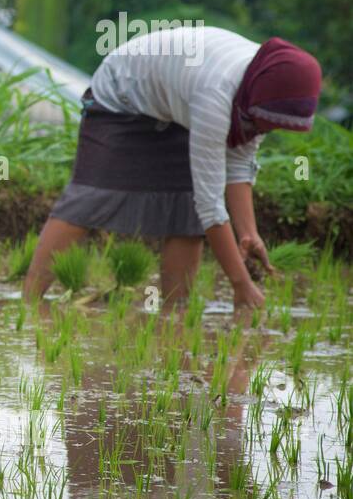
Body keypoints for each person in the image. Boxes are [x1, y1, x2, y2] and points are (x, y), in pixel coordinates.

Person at [23, 27, 322, 310]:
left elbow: (240, 163)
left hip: (176, 100)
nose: (267, 130)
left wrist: (249, 233)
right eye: (269, 122)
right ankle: (29, 303)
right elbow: (211, 205)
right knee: (91, 195)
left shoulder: (263, 92)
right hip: (122, 94)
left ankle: (176, 315)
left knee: (186, 210)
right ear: (259, 97)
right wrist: (241, 285)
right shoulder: (218, 95)